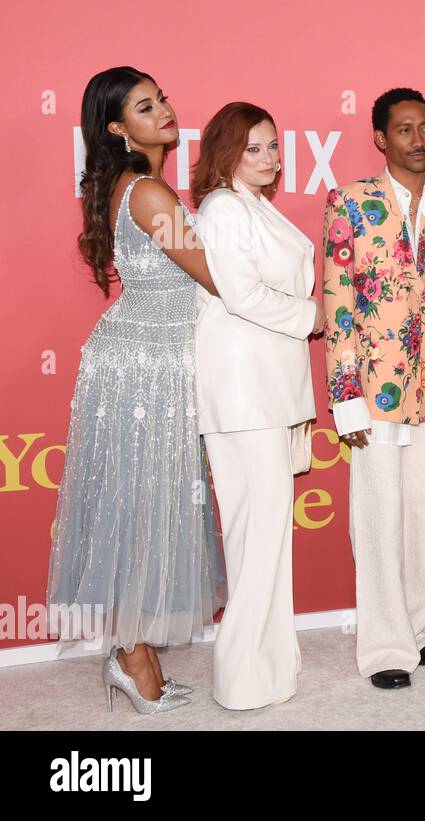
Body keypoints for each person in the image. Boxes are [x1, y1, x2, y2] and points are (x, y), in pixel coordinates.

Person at [47, 66, 225, 714]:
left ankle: (134, 650)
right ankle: (130, 654)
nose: (165, 111)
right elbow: (211, 272)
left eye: (164, 99)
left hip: (150, 361)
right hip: (142, 368)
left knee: (143, 510)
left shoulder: (142, 186)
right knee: (138, 512)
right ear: (118, 128)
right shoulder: (149, 193)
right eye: (146, 107)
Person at [321, 88, 425, 688]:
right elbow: (337, 304)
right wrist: (346, 396)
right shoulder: (350, 203)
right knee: (380, 516)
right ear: (381, 139)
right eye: (405, 130)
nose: (419, 140)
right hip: (374, 387)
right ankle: (386, 647)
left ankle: (420, 627)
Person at [192, 102, 323, 708]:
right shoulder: (222, 209)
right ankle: (243, 679)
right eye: (254, 149)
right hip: (244, 394)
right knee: (254, 536)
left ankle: (268, 667)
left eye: (273, 146)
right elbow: (241, 296)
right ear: (225, 152)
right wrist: (312, 317)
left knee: (267, 536)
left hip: (267, 389)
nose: (270, 158)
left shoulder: (254, 205)